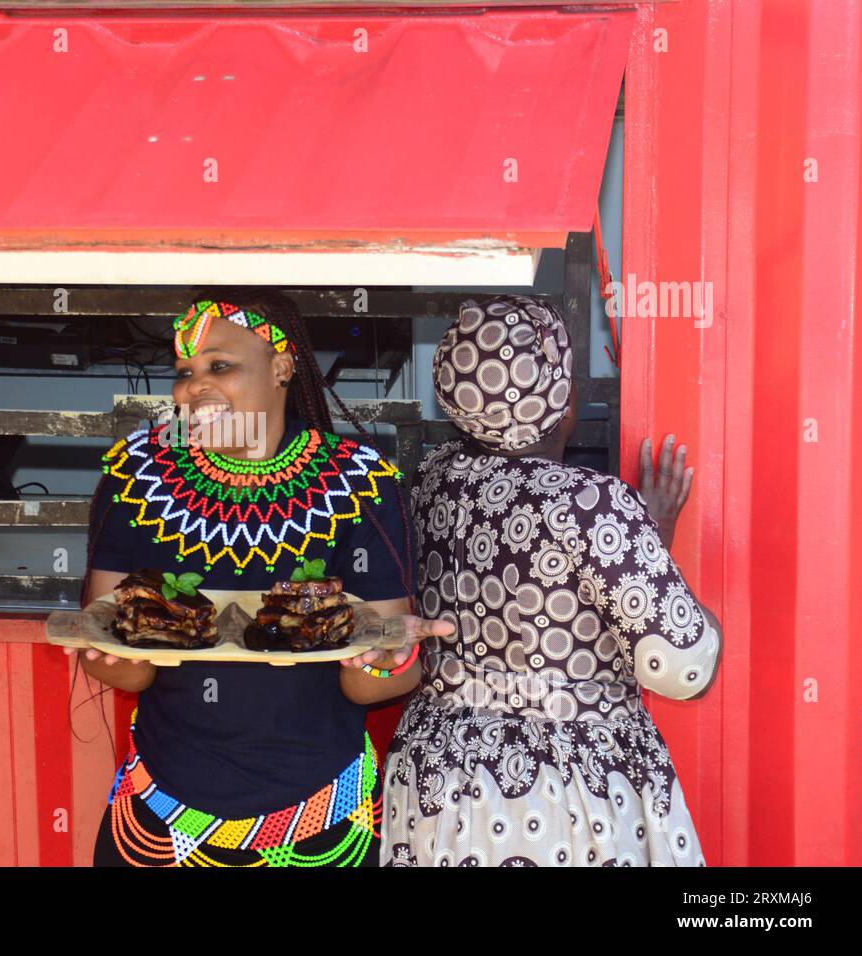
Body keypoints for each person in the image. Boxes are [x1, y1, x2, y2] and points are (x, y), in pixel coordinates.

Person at [66, 289, 453, 867]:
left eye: (220, 366)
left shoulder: (355, 482)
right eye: (184, 371)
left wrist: (383, 659)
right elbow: (122, 664)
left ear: (281, 364)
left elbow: (374, 683)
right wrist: (111, 650)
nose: (193, 387)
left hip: (325, 818)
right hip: (162, 817)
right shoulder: (139, 476)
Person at [382, 294, 723, 867]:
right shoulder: (591, 505)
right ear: (562, 399)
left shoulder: (433, 483)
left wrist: (642, 535)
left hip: (437, 777)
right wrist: (648, 539)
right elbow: (686, 667)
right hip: (560, 792)